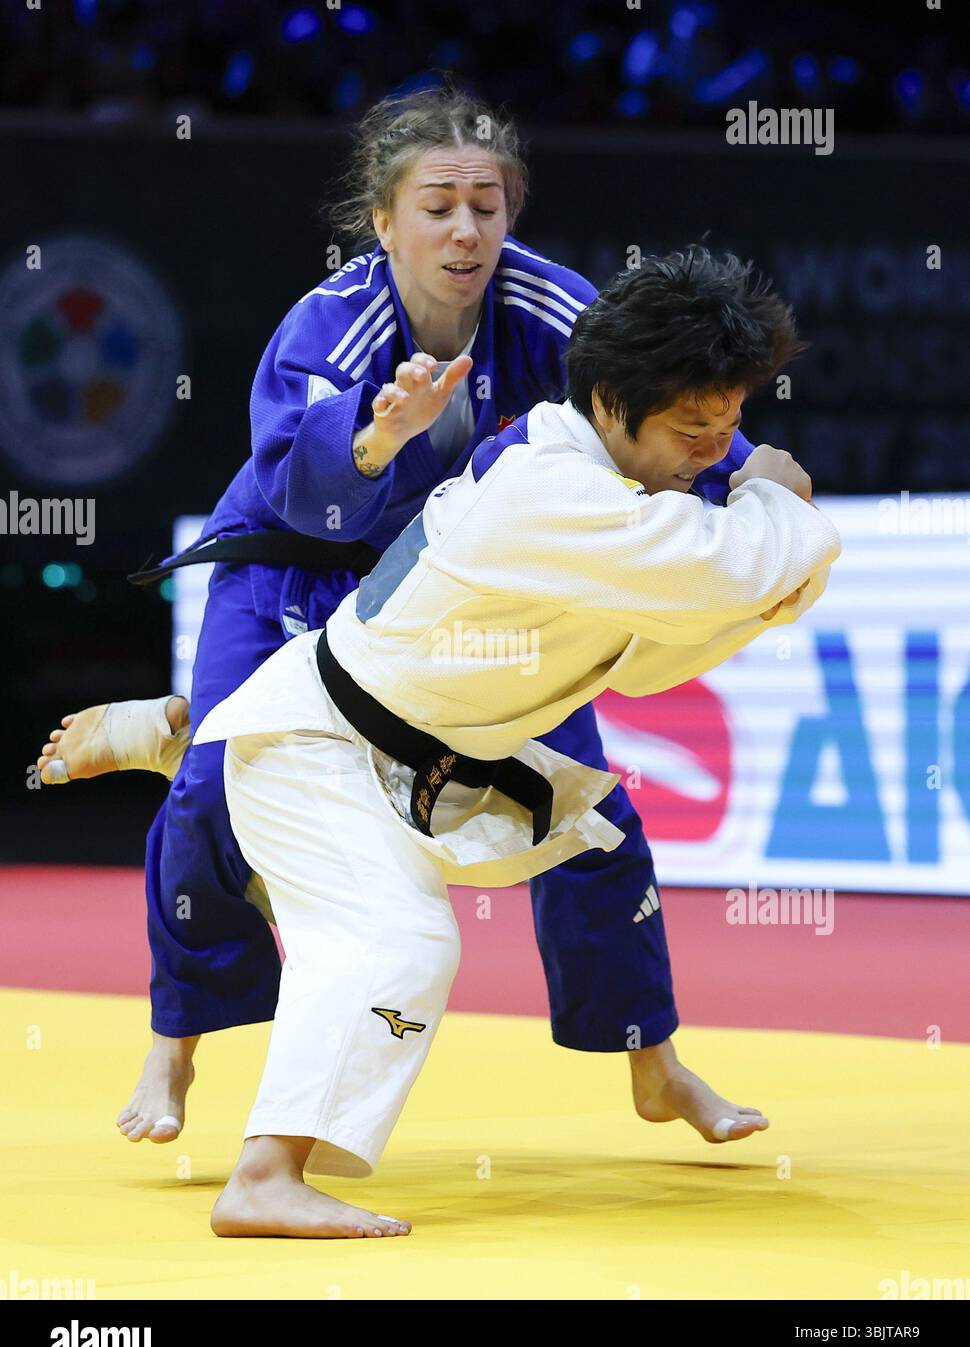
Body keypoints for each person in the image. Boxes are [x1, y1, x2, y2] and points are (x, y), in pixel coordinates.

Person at [36, 87, 764, 1151]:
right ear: (384, 222)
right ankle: (175, 1041)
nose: (464, 229)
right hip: (294, 574)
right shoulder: (329, 325)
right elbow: (295, 492)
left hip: (452, 600)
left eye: (486, 204)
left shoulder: (553, 307)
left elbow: (665, 399)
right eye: (437, 207)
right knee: (209, 797)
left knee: (587, 809)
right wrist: (377, 444)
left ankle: (652, 1059)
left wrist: (749, 485)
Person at [187, 248, 842, 1238]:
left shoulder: (615, 500)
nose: (718, 449)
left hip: (435, 762)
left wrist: (765, 567)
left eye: (733, 424)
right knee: (399, 943)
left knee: (595, 842)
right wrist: (773, 497)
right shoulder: (549, 487)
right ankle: (262, 1178)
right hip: (319, 753)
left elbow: (657, 649)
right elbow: (723, 573)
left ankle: (650, 1066)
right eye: (693, 428)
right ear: (609, 404)